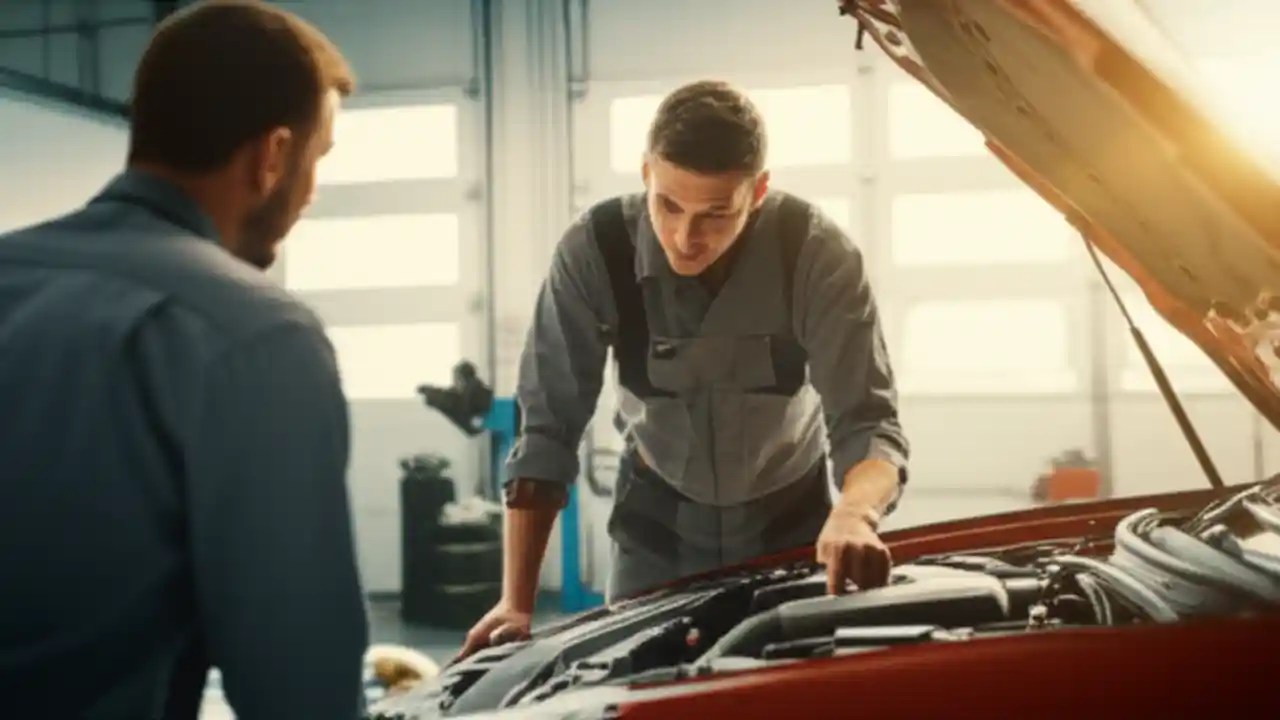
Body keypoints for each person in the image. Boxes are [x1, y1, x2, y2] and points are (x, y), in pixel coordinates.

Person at [0, 1, 369, 717]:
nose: (311, 192)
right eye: (316, 159)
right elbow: (299, 690)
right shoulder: (256, 336)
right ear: (272, 157)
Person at [457, 80, 910, 660]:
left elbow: (870, 424)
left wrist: (854, 514)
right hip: (656, 533)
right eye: (668, 205)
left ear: (760, 191)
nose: (685, 238)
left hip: (792, 529)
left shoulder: (816, 254)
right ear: (646, 172)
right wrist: (515, 601)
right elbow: (547, 429)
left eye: (717, 213)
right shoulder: (596, 250)